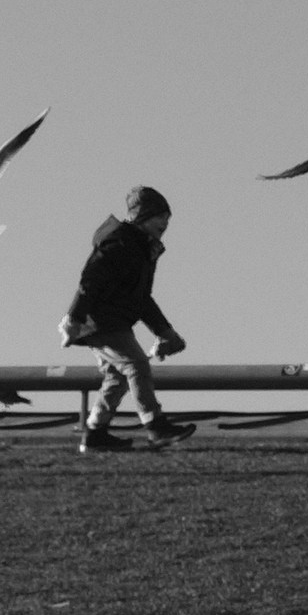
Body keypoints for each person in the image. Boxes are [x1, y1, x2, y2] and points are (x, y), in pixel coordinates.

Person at [67, 182, 186, 450]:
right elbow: (90, 281)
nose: (165, 223)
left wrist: (165, 332)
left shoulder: (144, 248)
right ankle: (156, 426)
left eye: (167, 218)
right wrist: (74, 318)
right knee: (136, 365)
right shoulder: (120, 242)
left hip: (112, 321)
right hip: (99, 322)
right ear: (142, 216)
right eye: (159, 216)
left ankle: (95, 434)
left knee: (116, 378)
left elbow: (141, 299)